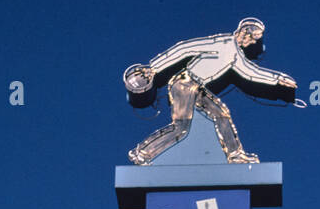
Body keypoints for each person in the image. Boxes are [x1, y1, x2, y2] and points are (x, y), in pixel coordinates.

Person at [124, 18, 296, 165]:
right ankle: (141, 153)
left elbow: (251, 72)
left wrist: (278, 79)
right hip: (184, 84)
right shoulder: (222, 43)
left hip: (197, 88)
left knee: (221, 114)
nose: (253, 43)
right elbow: (185, 48)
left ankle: (235, 156)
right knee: (181, 128)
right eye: (253, 39)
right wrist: (154, 67)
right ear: (245, 33)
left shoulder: (236, 54)